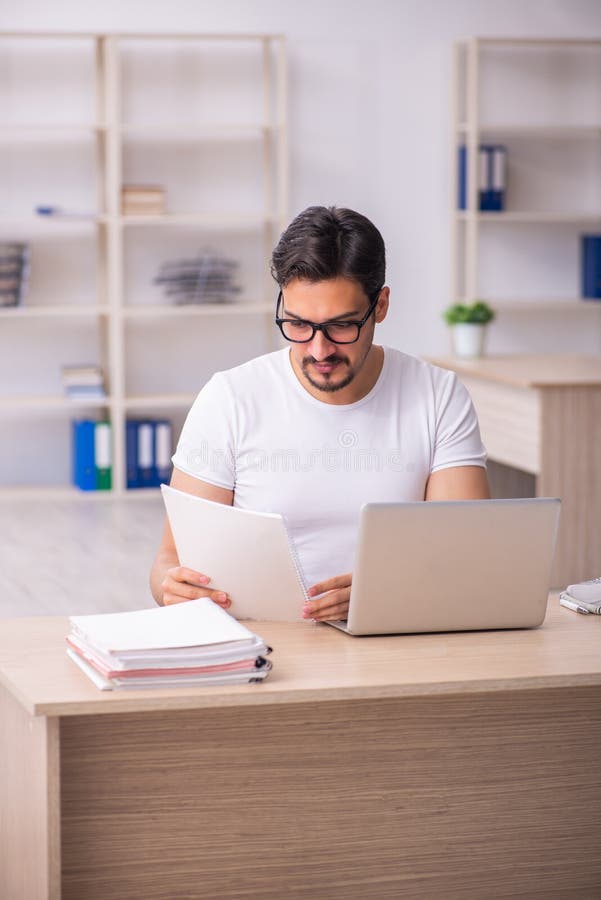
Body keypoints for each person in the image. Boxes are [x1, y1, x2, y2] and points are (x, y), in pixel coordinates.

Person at [150, 205, 489, 621]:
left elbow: (465, 557)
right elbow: (169, 561)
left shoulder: (438, 397)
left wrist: (384, 591)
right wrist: (172, 587)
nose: (318, 349)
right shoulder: (230, 399)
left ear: (381, 306)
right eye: (298, 324)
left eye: (342, 326)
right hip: (266, 640)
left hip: (397, 633)